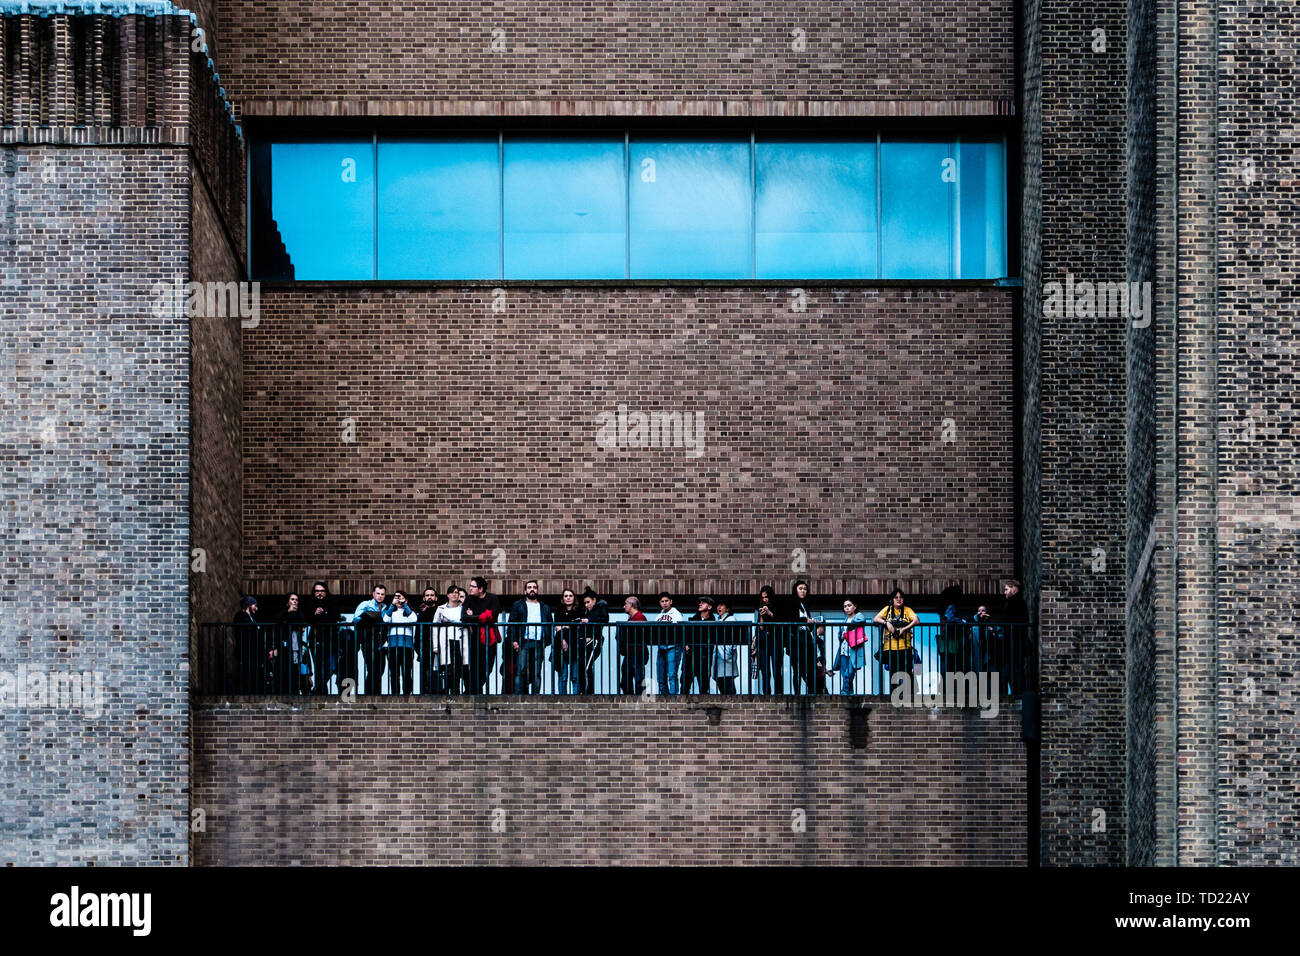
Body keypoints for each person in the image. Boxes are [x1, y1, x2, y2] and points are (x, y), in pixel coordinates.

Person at [509, 580, 553, 695]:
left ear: (537, 590)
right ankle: (519, 696)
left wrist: (547, 639)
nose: (532, 589)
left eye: (534, 587)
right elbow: (512, 624)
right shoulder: (518, 605)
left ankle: (536, 697)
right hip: (523, 641)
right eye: (529, 587)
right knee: (521, 670)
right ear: (525, 591)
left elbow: (549, 623)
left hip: (539, 642)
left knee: (536, 672)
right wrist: (514, 640)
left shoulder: (544, 607)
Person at [786, 580, 827, 694]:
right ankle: (797, 694)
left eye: (805, 589)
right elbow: (790, 619)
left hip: (806, 640)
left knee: (809, 668)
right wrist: (806, 620)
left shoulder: (804, 605)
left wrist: (811, 623)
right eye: (800, 588)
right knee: (797, 670)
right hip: (795, 640)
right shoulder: (791, 603)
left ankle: (813, 691)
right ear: (795, 590)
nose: (803, 591)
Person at [462, 577, 501, 694]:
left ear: (481, 588)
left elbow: (493, 616)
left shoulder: (493, 598)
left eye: (473, 586)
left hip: (490, 638)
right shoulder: (469, 599)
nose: (470, 589)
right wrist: (481, 616)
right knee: (474, 667)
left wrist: (474, 616)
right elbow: (463, 617)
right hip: (474, 638)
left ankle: (474, 689)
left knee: (487, 667)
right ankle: (475, 691)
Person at [874, 588, 918, 690]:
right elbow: (876, 619)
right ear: (892, 600)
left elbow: (916, 620)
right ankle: (894, 698)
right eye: (896, 597)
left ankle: (908, 698)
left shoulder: (907, 610)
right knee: (894, 675)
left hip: (905, 648)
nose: (899, 599)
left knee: (907, 674)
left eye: (901, 597)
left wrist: (904, 629)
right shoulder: (887, 609)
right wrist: (887, 623)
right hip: (890, 649)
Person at [353, 584, 392, 695]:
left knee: (381, 669)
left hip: (381, 641)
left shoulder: (386, 607)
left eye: (382, 594)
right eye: (378, 593)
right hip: (368, 641)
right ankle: (370, 693)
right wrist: (370, 616)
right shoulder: (366, 604)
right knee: (372, 668)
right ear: (373, 594)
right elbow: (356, 618)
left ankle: (375, 692)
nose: (380, 596)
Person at [304, 581, 341, 695]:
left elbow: (334, 617)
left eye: (322, 591)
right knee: (319, 668)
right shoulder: (309, 604)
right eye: (317, 591)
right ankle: (321, 692)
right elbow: (307, 618)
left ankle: (317, 689)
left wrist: (323, 614)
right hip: (316, 640)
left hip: (331, 640)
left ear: (326, 592)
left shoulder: (332, 602)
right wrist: (315, 614)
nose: (319, 593)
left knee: (331, 666)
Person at [430, 586, 467, 694]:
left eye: (456, 592)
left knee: (459, 667)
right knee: (447, 668)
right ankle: (446, 690)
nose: (454, 594)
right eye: (451, 592)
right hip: (446, 640)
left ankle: (456, 690)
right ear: (447, 595)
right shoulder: (441, 609)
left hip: (460, 641)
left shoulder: (463, 608)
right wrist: (435, 646)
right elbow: (435, 627)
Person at [276, 592, 312, 695]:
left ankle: (294, 691)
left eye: (296, 600)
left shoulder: (300, 613)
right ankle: (284, 691)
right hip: (286, 644)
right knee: (284, 668)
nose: (295, 601)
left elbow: (300, 624)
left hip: (296, 644)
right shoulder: (283, 612)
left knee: (295, 669)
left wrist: (293, 613)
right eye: (292, 599)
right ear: (288, 602)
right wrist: (289, 611)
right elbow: (279, 621)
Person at [834, 598, 871, 695]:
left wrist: (849, 628)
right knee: (844, 674)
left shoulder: (858, 616)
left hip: (853, 650)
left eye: (849, 605)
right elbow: (840, 635)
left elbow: (862, 620)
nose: (847, 608)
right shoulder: (845, 620)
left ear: (854, 607)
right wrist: (842, 635)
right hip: (843, 650)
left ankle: (844, 691)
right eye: (845, 606)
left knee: (849, 672)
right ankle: (850, 693)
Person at [552, 588, 584, 695]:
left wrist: (566, 626)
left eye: (570, 595)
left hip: (576, 645)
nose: (568, 598)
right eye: (566, 596)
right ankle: (562, 699)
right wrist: (563, 639)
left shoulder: (579, 610)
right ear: (563, 598)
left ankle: (575, 698)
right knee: (563, 675)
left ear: (574, 597)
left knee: (575, 676)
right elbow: (557, 627)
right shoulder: (558, 611)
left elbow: (579, 627)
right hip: (561, 645)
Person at [577, 587, 609, 694]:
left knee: (587, 666)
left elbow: (604, 620)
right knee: (582, 665)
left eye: (588, 602)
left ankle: (589, 692)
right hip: (586, 641)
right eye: (585, 603)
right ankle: (584, 691)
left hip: (595, 641)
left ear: (594, 600)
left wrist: (589, 620)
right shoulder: (586, 610)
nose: (586, 605)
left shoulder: (601, 607)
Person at [681, 596, 715, 694]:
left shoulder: (713, 622)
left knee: (704, 685)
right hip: (690, 656)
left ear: (709, 607)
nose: (700, 604)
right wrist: (686, 644)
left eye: (703, 603)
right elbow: (686, 635)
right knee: (685, 683)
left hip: (704, 657)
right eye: (699, 603)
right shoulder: (692, 620)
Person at [386, 590, 418, 695]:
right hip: (393, 645)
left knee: (407, 671)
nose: (399, 600)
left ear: (406, 600)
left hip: (407, 646)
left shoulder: (410, 612)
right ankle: (395, 693)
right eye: (397, 598)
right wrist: (392, 604)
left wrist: (404, 605)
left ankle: (407, 693)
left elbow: (414, 620)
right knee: (394, 672)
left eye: (401, 598)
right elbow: (385, 620)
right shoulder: (390, 611)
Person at [652, 592, 684, 694]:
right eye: (662, 601)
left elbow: (678, 631)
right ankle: (664, 698)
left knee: (672, 675)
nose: (664, 603)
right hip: (661, 648)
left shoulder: (676, 614)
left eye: (666, 601)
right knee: (661, 675)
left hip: (673, 647)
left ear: (671, 601)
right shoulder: (659, 616)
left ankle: (673, 698)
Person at [754, 585, 784, 694]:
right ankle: (767, 694)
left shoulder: (778, 607)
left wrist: (769, 613)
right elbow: (761, 627)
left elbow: (781, 621)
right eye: (762, 597)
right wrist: (761, 615)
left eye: (766, 597)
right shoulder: (761, 607)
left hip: (776, 642)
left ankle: (778, 694)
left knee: (777, 671)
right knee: (765, 672)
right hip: (763, 643)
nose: (764, 600)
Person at [936, 584, 968, 680]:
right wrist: (962, 621)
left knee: (949, 666)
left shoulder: (945, 607)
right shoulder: (951, 606)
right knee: (955, 666)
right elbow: (950, 618)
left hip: (948, 642)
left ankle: (947, 688)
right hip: (953, 641)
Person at [618, 595, 649, 694]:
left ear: (631, 605)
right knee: (626, 678)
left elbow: (640, 635)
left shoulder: (640, 617)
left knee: (638, 677)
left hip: (638, 652)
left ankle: (639, 699)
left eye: (625, 604)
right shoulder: (632, 618)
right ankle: (629, 697)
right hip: (630, 652)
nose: (624, 606)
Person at [232, 595, 260, 693]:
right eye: (254, 605)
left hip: (250, 651)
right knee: (245, 672)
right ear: (248, 605)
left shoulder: (250, 618)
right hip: (245, 650)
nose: (256, 608)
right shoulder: (241, 615)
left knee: (251, 672)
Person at [417, 587, 442, 694]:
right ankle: (425, 692)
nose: (429, 597)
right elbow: (418, 631)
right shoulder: (421, 611)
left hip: (439, 644)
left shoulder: (440, 610)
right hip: (425, 645)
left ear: (436, 598)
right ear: (423, 598)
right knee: (425, 670)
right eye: (427, 595)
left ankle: (439, 691)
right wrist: (417, 647)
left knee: (438, 670)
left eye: (432, 595)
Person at [712, 600, 741, 694]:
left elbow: (734, 637)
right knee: (722, 682)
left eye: (722, 605)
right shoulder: (718, 620)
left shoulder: (731, 619)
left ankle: (733, 705)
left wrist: (729, 652)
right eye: (718, 605)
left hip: (726, 656)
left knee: (727, 681)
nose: (719, 607)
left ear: (728, 609)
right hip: (720, 656)